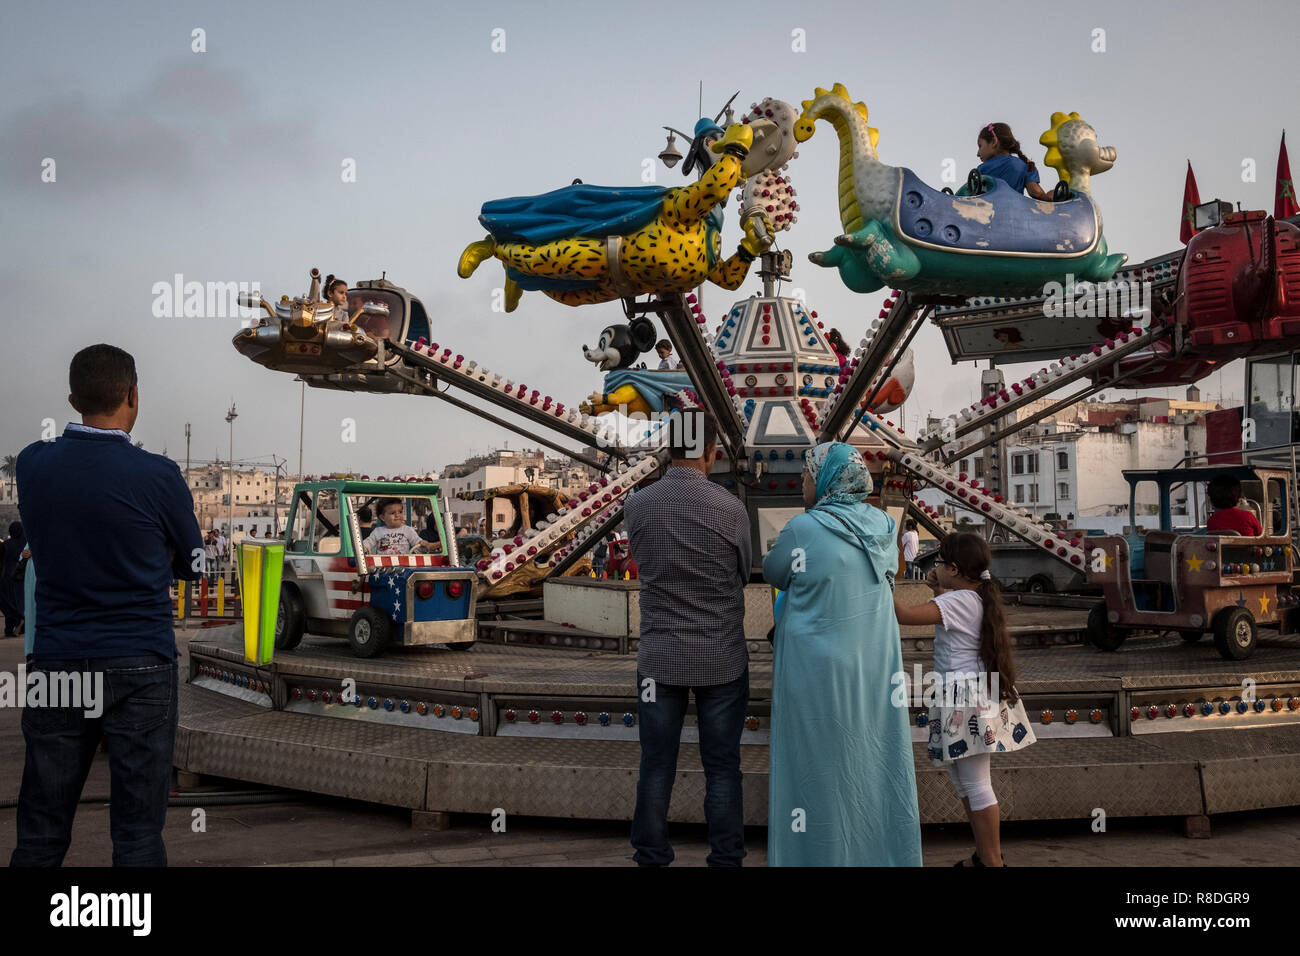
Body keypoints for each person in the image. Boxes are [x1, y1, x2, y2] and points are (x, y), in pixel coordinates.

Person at [12, 344, 203, 866]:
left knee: (41, 831)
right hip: (140, 662)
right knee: (138, 835)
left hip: (59, 661)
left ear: (73, 399)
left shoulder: (32, 464)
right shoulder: (159, 475)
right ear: (133, 396)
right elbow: (196, 563)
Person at [763, 442, 922, 866]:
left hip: (815, 677)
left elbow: (774, 571)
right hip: (873, 671)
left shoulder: (803, 529)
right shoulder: (886, 527)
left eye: (808, 474)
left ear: (828, 478)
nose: (802, 481)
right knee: (872, 762)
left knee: (816, 769)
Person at [623, 409, 752, 866]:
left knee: (657, 764)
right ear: (710, 453)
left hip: (660, 659)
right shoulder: (730, 507)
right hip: (722, 657)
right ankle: (725, 858)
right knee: (722, 766)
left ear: (668, 449)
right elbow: (742, 571)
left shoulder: (637, 505)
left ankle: (652, 855)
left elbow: (641, 561)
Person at [893, 532, 1036, 867]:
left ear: (954, 569)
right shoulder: (969, 597)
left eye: (940, 562)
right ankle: (984, 856)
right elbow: (949, 604)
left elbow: (904, 615)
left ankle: (992, 862)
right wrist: (937, 588)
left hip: (964, 697)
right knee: (965, 781)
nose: (936, 566)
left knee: (975, 782)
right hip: (966, 693)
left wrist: (882, 583)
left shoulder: (956, 602)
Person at [976, 123, 1051, 200]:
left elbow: (971, 195)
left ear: (994, 142)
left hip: (988, 210)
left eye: (980, 146)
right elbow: (1036, 192)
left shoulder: (981, 169)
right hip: (1015, 211)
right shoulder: (1025, 165)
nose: (978, 154)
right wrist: (1051, 200)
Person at [363, 497, 436, 555]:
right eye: (392, 513)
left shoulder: (408, 530)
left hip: (404, 566)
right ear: (382, 517)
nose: (397, 515)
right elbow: (367, 543)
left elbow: (417, 542)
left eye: (400, 512)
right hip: (382, 567)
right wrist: (363, 547)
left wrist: (423, 543)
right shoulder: (378, 531)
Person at [1, 521, 25, 636]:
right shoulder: (25, 544)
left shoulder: (6, 544)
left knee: (7, 603)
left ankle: (11, 628)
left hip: (6, 577)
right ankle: (19, 625)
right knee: (18, 602)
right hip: (21, 577)